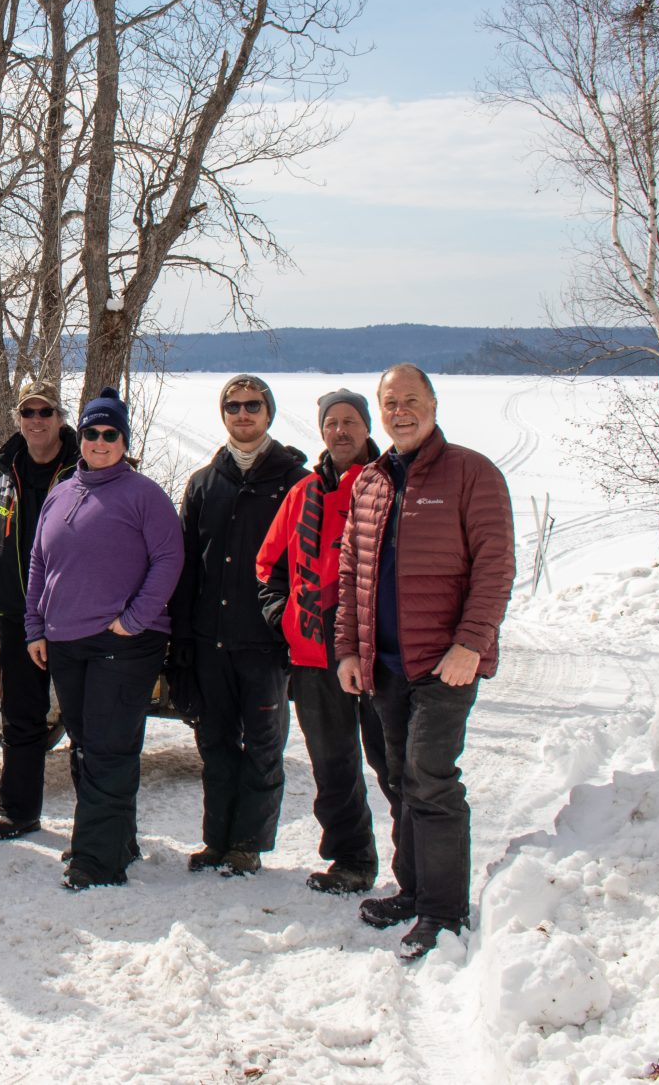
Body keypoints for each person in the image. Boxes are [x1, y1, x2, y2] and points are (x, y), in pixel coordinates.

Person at [336, 363, 515, 959]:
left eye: (411, 400)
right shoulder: (370, 482)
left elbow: (496, 566)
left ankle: (444, 912)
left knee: (430, 778)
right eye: (391, 402)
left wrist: (472, 642)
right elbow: (351, 574)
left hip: (446, 662)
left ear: (433, 405)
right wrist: (348, 649)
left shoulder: (471, 473)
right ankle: (412, 891)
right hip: (384, 663)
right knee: (397, 779)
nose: (401, 411)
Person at [25, 387, 184, 890]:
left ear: (124, 440)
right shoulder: (62, 492)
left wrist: (135, 619)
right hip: (66, 641)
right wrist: (35, 626)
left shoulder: (144, 495)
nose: (99, 441)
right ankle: (115, 839)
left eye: (110, 433)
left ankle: (97, 861)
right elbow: (38, 562)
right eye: (91, 432)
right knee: (87, 745)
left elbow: (169, 560)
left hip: (124, 641)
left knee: (108, 747)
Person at [169, 374, 309, 877]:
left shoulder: (295, 482)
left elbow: (307, 567)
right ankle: (217, 841)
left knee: (264, 745)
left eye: (253, 405)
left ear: (268, 413)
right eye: (234, 406)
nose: (243, 414)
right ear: (223, 414)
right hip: (211, 640)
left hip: (265, 642)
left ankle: (248, 843)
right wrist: (182, 639)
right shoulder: (205, 483)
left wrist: (293, 631)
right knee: (215, 743)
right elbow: (187, 566)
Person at [256, 388, 388, 896]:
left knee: (394, 763)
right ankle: (351, 860)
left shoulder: (389, 484)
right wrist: (282, 616)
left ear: (367, 426)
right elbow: (268, 565)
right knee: (333, 765)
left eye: (350, 420)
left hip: (379, 650)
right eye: (332, 422)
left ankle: (420, 866)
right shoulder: (304, 492)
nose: (340, 430)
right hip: (314, 651)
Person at [0, 380, 79, 841]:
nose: (36, 421)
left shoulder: (82, 466)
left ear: (60, 418)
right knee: (21, 716)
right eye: (28, 412)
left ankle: (96, 824)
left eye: (45, 412)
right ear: (18, 418)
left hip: (74, 614)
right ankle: (18, 812)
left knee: (85, 721)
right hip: (16, 612)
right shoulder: (1, 467)